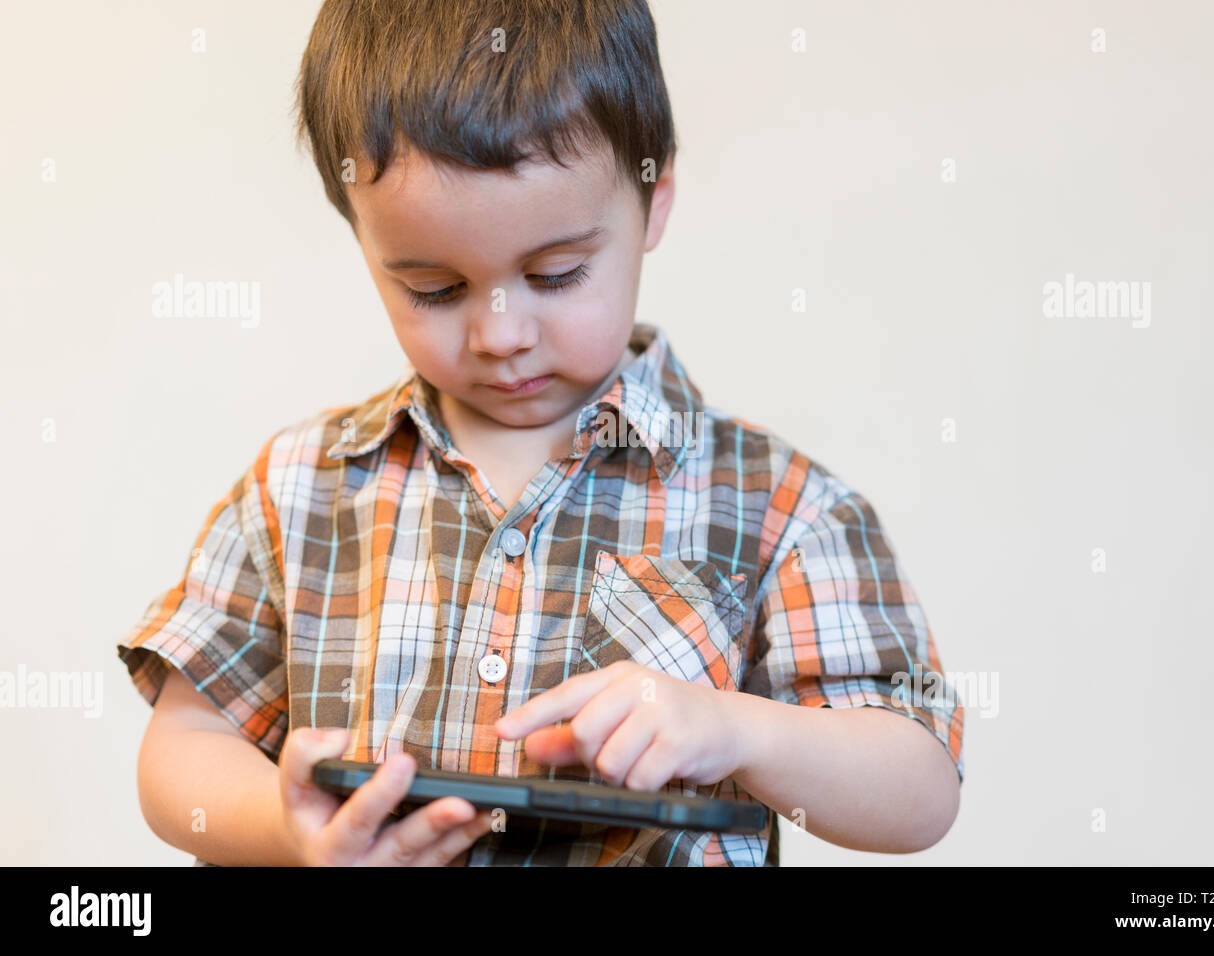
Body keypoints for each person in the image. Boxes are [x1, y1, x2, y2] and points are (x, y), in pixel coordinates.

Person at [117, 0, 964, 866]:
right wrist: (285, 828)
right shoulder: (300, 486)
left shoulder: (781, 506)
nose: (500, 333)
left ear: (654, 199)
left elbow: (919, 791)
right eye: (435, 289)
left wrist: (736, 730)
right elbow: (179, 751)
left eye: (555, 276)